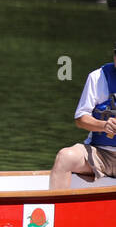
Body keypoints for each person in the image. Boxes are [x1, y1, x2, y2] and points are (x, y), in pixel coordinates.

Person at [49, 43, 116, 189]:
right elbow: (81, 119)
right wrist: (104, 125)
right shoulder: (97, 77)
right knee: (64, 157)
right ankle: (56, 209)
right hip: (99, 153)